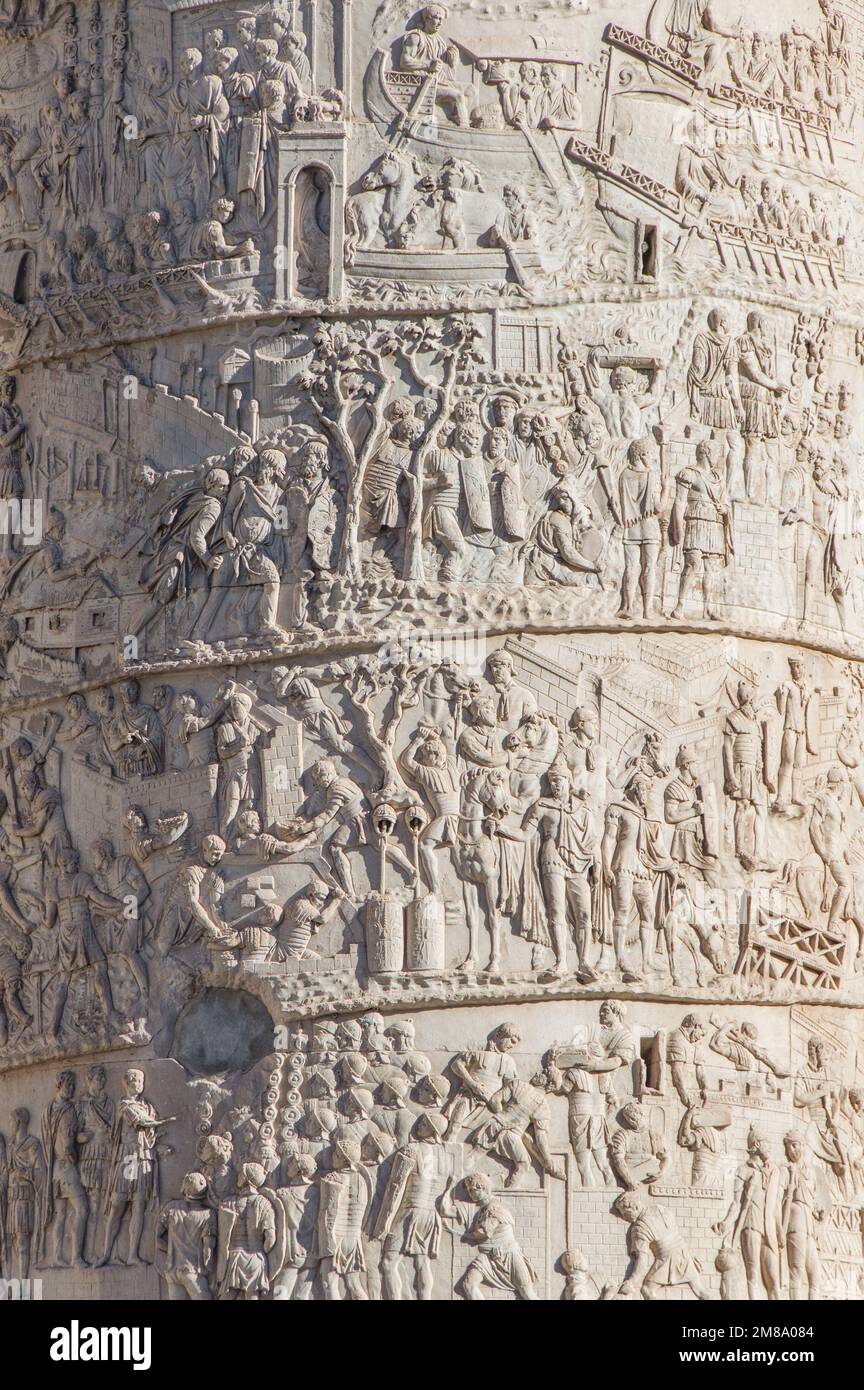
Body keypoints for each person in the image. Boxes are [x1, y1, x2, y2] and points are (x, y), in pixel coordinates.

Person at [442, 1171, 537, 1300]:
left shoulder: (494, 1208)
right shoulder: (481, 1209)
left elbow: (482, 1233)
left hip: (509, 1255)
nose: (470, 1194)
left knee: (527, 1292)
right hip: (488, 1255)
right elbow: (445, 1210)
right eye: (469, 1190)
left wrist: (456, 1232)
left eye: (472, 1190)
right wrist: (448, 1189)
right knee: (469, 1284)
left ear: (482, 1188)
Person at [613, 1191, 709, 1300]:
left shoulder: (639, 1228)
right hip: (684, 1254)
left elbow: (642, 1260)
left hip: (667, 1259)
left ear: (633, 1207)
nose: (624, 1217)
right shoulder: (660, 1208)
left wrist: (631, 1281)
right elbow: (676, 1234)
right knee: (701, 1291)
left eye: (624, 1213)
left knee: (647, 1289)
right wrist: (691, 1255)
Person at [155, 1172, 216, 1300]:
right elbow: (208, 1251)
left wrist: (172, 1250)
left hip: (172, 1270)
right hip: (192, 1270)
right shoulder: (208, 1215)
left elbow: (158, 1239)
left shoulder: (171, 1208)